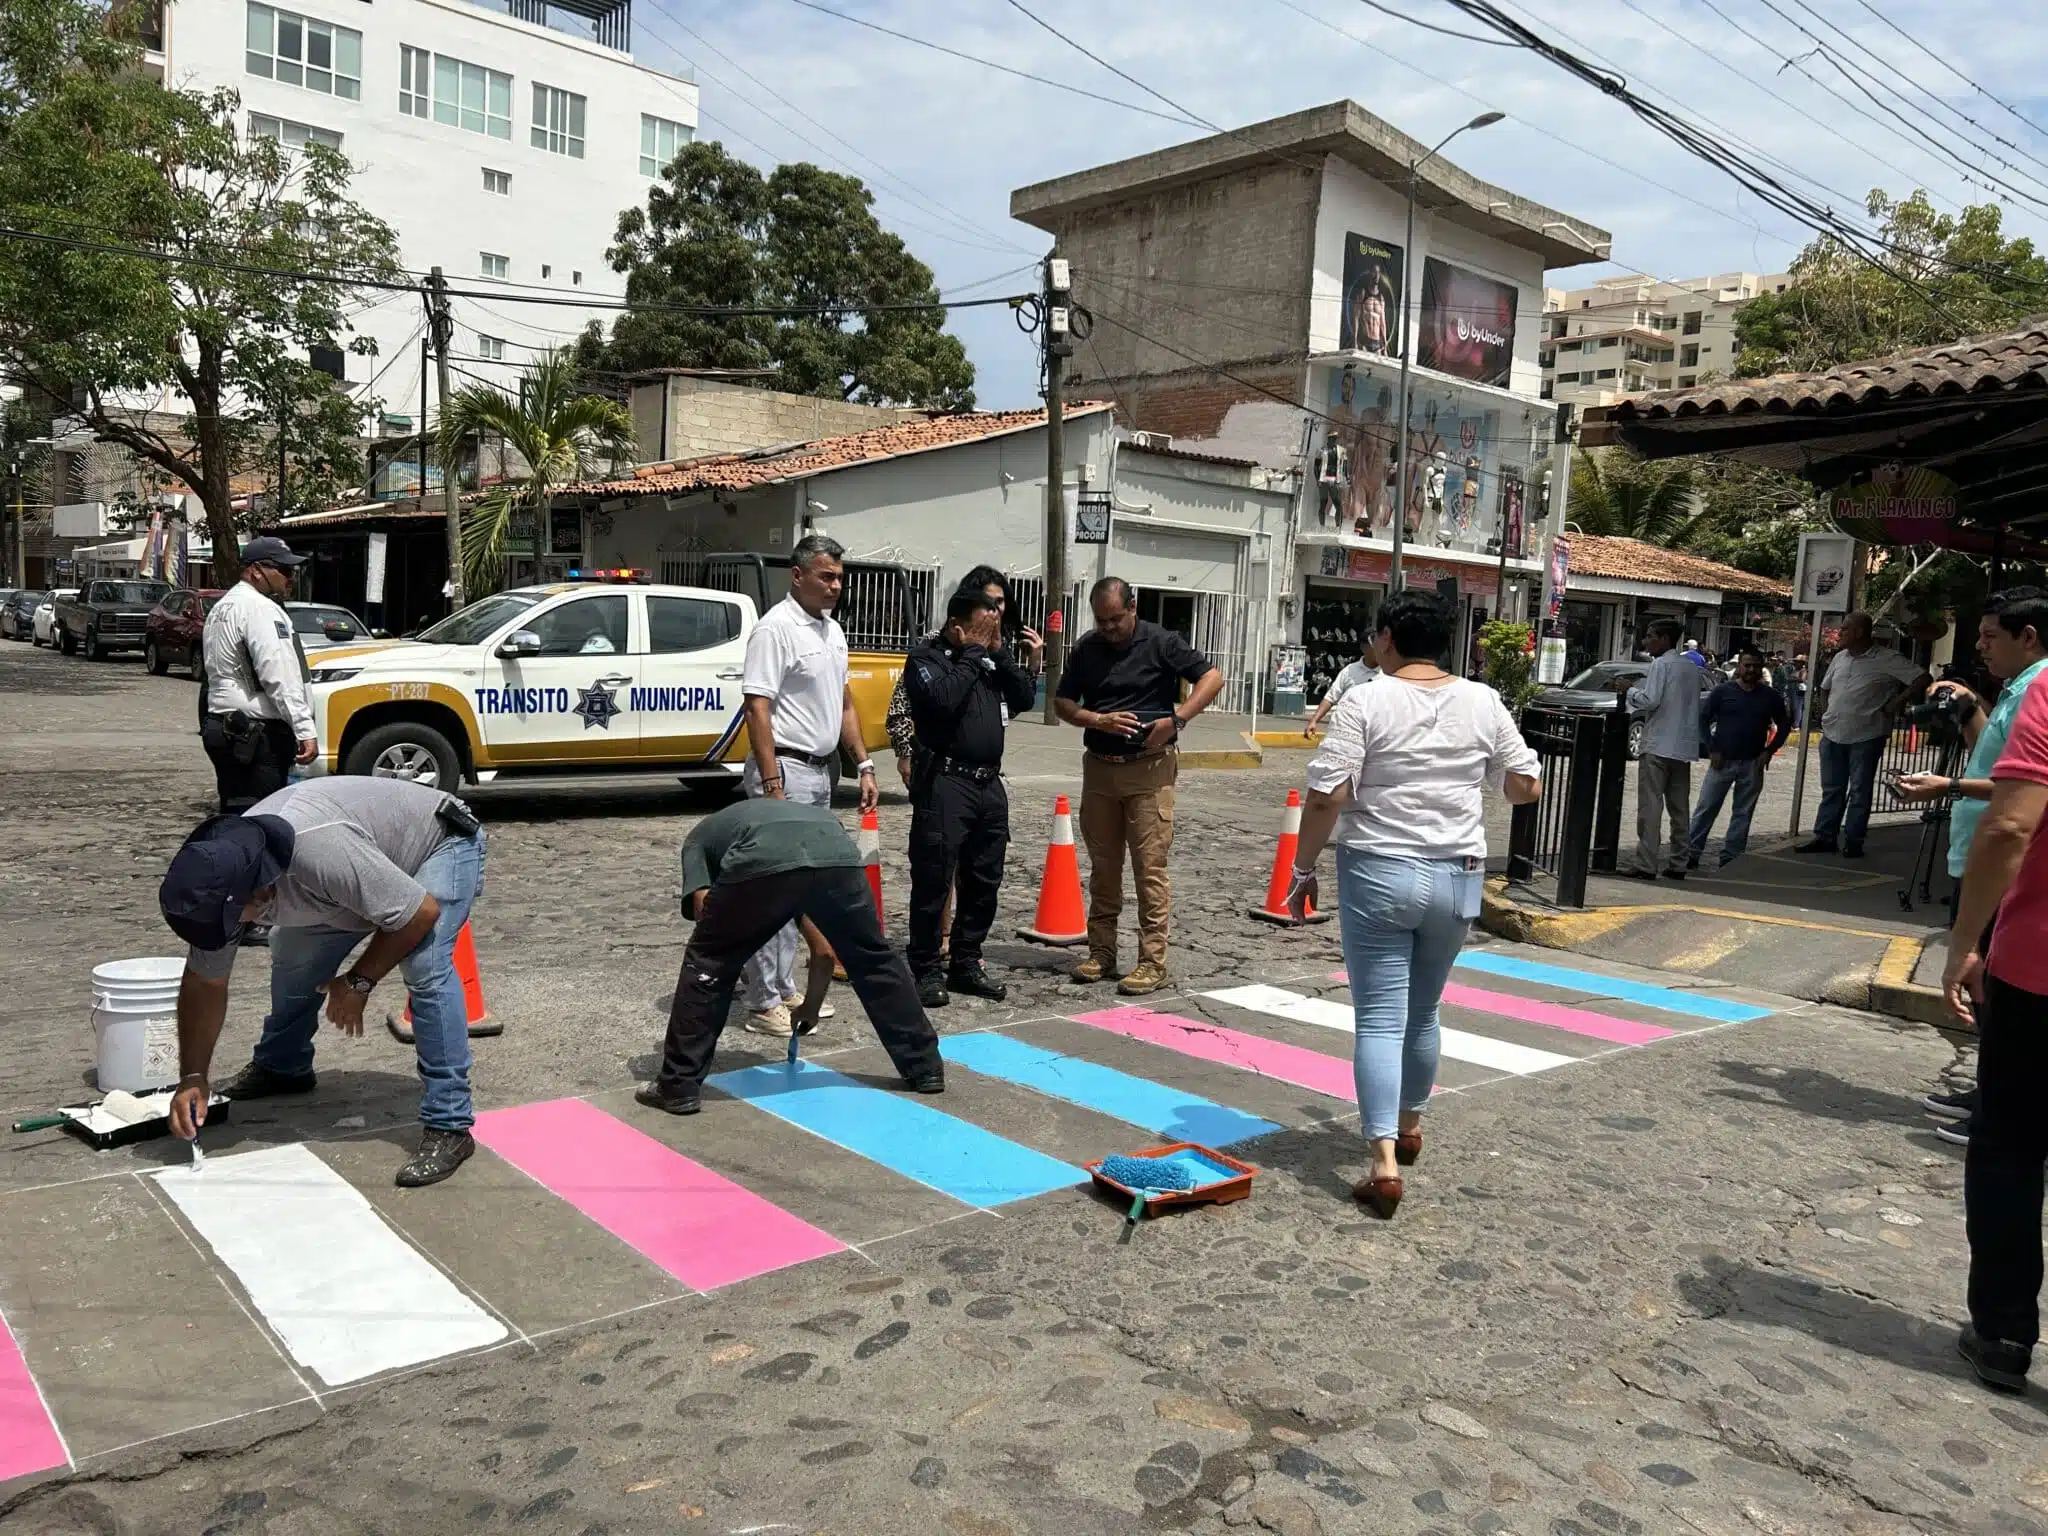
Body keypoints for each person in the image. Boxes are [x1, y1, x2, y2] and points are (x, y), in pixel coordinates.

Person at [1287, 590, 1542, 1219]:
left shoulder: (1365, 699)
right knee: (1425, 1009)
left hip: (1380, 869)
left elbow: (1326, 796)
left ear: (1389, 638)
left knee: (1378, 1017)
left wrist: (1302, 868)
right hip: (1459, 874)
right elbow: (1524, 785)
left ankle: (1382, 1163)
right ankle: (1410, 1125)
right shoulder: (1483, 701)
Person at [157, 776, 488, 1187]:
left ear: (256, 893)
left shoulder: (319, 852)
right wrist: (193, 1077)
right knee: (293, 955)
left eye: (232, 921)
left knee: (426, 965)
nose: (229, 932)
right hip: (353, 885)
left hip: (437, 843)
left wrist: (359, 982)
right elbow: (205, 982)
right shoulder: (222, 878)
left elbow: (417, 915)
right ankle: (283, 1066)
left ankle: (450, 1125)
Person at [636, 798, 945, 1114]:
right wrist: (809, 1007)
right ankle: (925, 1067)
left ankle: (678, 1086)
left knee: (706, 964)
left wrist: (732, 954)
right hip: (835, 853)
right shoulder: (776, 827)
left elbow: (706, 916)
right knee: (874, 959)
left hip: (763, 861)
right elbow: (824, 950)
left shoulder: (698, 840)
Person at [1893, 588, 2048, 1148]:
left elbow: (2018, 799)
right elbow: (2000, 757)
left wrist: (1948, 784)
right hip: (1974, 844)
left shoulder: (2041, 690)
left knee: (1988, 977)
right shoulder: (2017, 689)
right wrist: (1969, 710)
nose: (1979, 647)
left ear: (2027, 636)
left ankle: (2004, 1104)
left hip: (2001, 861)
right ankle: (1992, 1089)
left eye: (1989, 637)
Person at [1942, 672, 2048, 1395]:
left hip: (2038, 969)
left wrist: (1963, 941)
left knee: (2011, 1145)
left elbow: (2011, 824)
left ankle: (2005, 1331)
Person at [1053, 577, 1224, 996]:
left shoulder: (1162, 642)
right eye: (1101, 620)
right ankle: (1101, 953)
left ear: (1134, 607)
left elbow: (1213, 678)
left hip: (1149, 770)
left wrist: (1177, 719)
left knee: (1149, 868)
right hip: (1100, 770)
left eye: (1116, 619)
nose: (1109, 628)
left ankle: (1152, 961)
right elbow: (1062, 702)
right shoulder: (1087, 649)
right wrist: (1097, 720)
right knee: (1103, 867)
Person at [737, 534, 879, 1036]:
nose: (836, 585)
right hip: (787, 772)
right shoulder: (775, 629)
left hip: (821, 772)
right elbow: (758, 707)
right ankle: (762, 1000)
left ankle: (783, 984)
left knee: (803, 884)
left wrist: (862, 764)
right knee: (774, 888)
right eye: (826, 576)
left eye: (840, 577)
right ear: (798, 576)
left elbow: (841, 704)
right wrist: (772, 782)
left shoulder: (831, 631)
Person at [903, 586, 1040, 1007]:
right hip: (946, 781)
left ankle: (966, 960)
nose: (992, 627)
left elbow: (1024, 698)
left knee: (985, 878)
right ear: (958, 626)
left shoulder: (987, 659)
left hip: (988, 785)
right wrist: (971, 653)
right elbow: (940, 702)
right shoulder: (926, 657)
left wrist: (998, 654)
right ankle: (926, 967)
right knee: (933, 877)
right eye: (984, 622)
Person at [1797, 611, 1931, 859]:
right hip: (1834, 732)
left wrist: (1897, 703)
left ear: (1859, 632)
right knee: (1832, 788)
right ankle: (1825, 836)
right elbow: (1825, 688)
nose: (1840, 634)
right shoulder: (1840, 658)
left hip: (1867, 734)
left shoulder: (1887, 658)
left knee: (1860, 789)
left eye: (1845, 629)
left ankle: (1853, 839)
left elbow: (1922, 677)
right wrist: (1826, 712)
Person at [200, 536, 317, 816]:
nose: (291, 578)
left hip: (222, 724)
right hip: (255, 732)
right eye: (284, 570)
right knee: (261, 822)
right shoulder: (261, 609)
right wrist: (304, 728)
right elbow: (278, 674)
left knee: (234, 816)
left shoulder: (222, 607)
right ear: (255, 570)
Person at [1686, 648, 1790, 869]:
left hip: (1752, 762)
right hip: (1722, 761)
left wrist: (1769, 751)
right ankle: (1691, 852)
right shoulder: (1723, 692)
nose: (1751, 669)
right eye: (1747, 665)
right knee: (1706, 808)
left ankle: (1731, 857)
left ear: (1761, 667)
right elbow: (1702, 720)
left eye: (1755, 665)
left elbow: (1784, 725)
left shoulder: (1770, 696)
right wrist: (1711, 748)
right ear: (1739, 666)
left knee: (1743, 813)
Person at [1618, 619, 1702, 880]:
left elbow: (1650, 700)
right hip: (1683, 746)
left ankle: (1646, 863)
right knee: (1680, 809)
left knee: (1651, 807)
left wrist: (1629, 690)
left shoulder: (1661, 664)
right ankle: (1679, 863)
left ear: (1664, 639)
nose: (1646, 642)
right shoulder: (1691, 667)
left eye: (1650, 636)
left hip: (1658, 744)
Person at [1303, 635, 1379, 737]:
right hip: (1350, 731)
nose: (1381, 649)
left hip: (1377, 732)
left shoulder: (1390, 672)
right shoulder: (1349, 671)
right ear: (1364, 647)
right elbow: (1330, 697)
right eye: (1375, 645)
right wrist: (1314, 720)